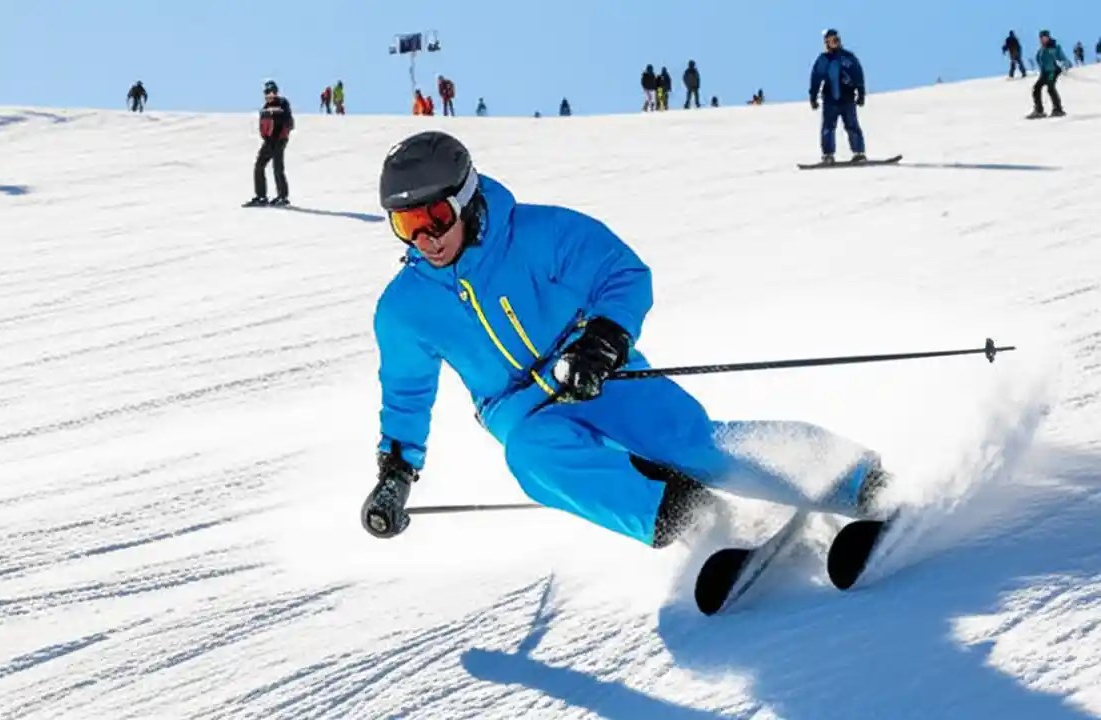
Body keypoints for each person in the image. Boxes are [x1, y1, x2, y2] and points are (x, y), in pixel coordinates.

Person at [361, 131, 890, 548]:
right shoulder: (405, 308)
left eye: (434, 217)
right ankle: (697, 520)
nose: (425, 238)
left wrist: (603, 341)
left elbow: (623, 274)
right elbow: (406, 394)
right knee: (531, 457)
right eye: (406, 224)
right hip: (521, 411)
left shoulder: (538, 233)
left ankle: (855, 480)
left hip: (597, 370)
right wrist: (397, 472)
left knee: (691, 445)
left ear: (467, 199)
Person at [809, 29, 866, 164]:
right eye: (830, 41)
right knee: (828, 127)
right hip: (830, 99)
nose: (833, 43)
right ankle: (828, 154)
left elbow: (858, 75)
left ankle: (858, 153)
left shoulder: (847, 57)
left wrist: (861, 93)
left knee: (851, 125)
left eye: (835, 40)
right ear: (826, 43)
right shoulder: (824, 59)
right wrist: (813, 97)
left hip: (847, 98)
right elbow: (816, 78)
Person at [245, 80, 293, 207]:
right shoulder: (265, 107)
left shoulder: (283, 103)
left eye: (272, 92)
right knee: (259, 166)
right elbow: (263, 125)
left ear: (276, 92)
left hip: (280, 139)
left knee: (278, 167)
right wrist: (265, 136)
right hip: (269, 141)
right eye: (267, 92)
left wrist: (277, 115)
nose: (270, 94)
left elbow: (288, 120)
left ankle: (282, 196)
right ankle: (261, 196)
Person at [1029, 30, 1069, 118]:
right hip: (1044, 73)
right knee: (1036, 88)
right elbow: (1040, 61)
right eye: (1041, 38)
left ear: (1048, 37)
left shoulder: (1055, 47)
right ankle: (1039, 110)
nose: (1042, 40)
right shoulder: (1041, 50)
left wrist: (1065, 65)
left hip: (1052, 72)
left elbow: (1063, 58)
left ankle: (1058, 109)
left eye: (1044, 38)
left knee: (1050, 87)